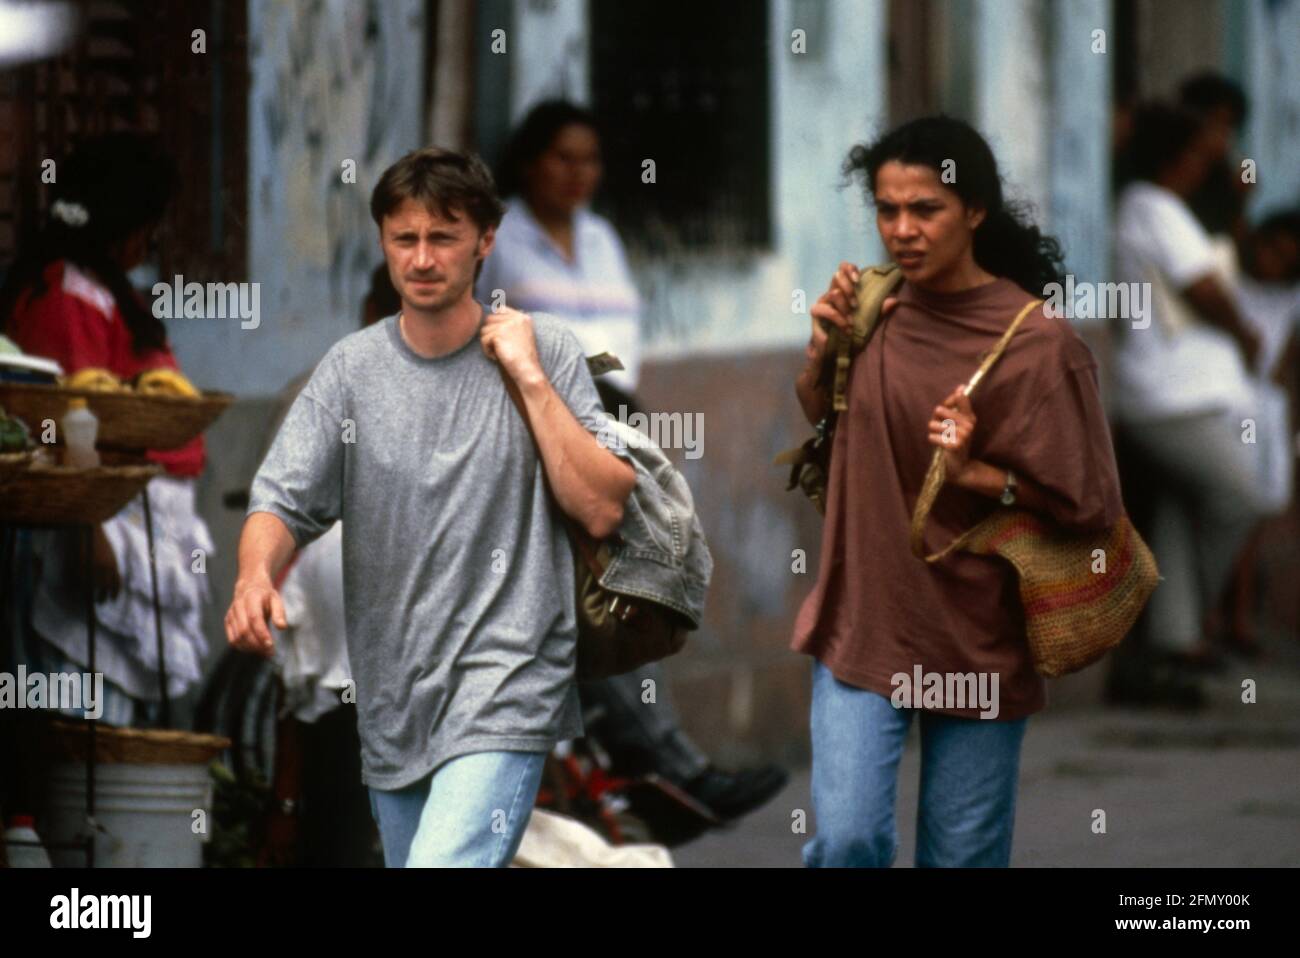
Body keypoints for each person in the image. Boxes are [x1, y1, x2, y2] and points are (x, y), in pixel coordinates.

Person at [227, 148, 636, 868]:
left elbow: (601, 507)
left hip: (510, 684)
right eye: (404, 239)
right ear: (384, 241)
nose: (421, 259)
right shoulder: (350, 371)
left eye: (443, 237)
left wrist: (530, 379)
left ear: (485, 241)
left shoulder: (547, 351)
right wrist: (255, 575)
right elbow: (281, 499)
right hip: (393, 699)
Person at [791, 115, 1125, 867]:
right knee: (848, 841)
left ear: (975, 210)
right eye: (887, 210)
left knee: (961, 860)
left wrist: (984, 476)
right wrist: (821, 355)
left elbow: (1091, 506)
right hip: (864, 620)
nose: (902, 230)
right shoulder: (875, 306)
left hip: (978, 636)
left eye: (926, 209)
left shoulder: (1040, 347)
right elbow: (833, 428)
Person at [477, 99, 788, 823]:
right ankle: (669, 771)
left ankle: (642, 781)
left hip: (612, 433)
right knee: (584, 603)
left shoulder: (602, 239)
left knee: (621, 597)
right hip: (532, 436)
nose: (578, 173)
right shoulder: (502, 241)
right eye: (563, 157)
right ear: (528, 160)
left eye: (590, 158)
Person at [1, 132, 213, 730]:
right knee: (80, 717)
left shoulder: (99, 290)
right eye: (148, 222)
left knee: (110, 718)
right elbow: (61, 416)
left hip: (133, 524)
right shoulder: (66, 295)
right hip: (93, 529)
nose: (152, 239)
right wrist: (92, 527)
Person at [1107, 103, 1275, 693]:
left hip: (1179, 392)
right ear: (1178, 160)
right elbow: (1203, 285)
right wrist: (1245, 333)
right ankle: (1172, 615)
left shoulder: (1149, 207)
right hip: (1168, 396)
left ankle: (1174, 643)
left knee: (1180, 514)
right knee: (1239, 497)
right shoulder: (1153, 206)